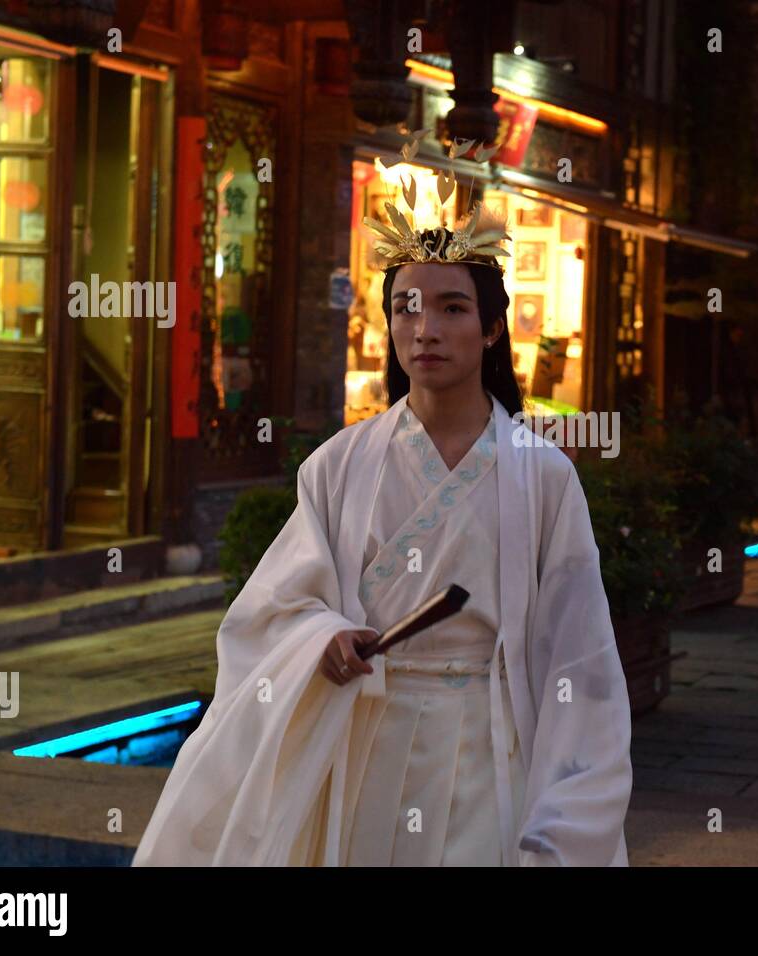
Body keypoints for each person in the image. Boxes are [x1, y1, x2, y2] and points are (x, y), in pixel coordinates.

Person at [133, 180, 633, 866]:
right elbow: (269, 613)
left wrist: (567, 816)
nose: (425, 328)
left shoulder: (543, 478)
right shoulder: (338, 468)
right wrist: (325, 640)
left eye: (452, 308)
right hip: (365, 738)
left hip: (487, 745)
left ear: (492, 328)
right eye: (406, 308)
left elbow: (578, 656)